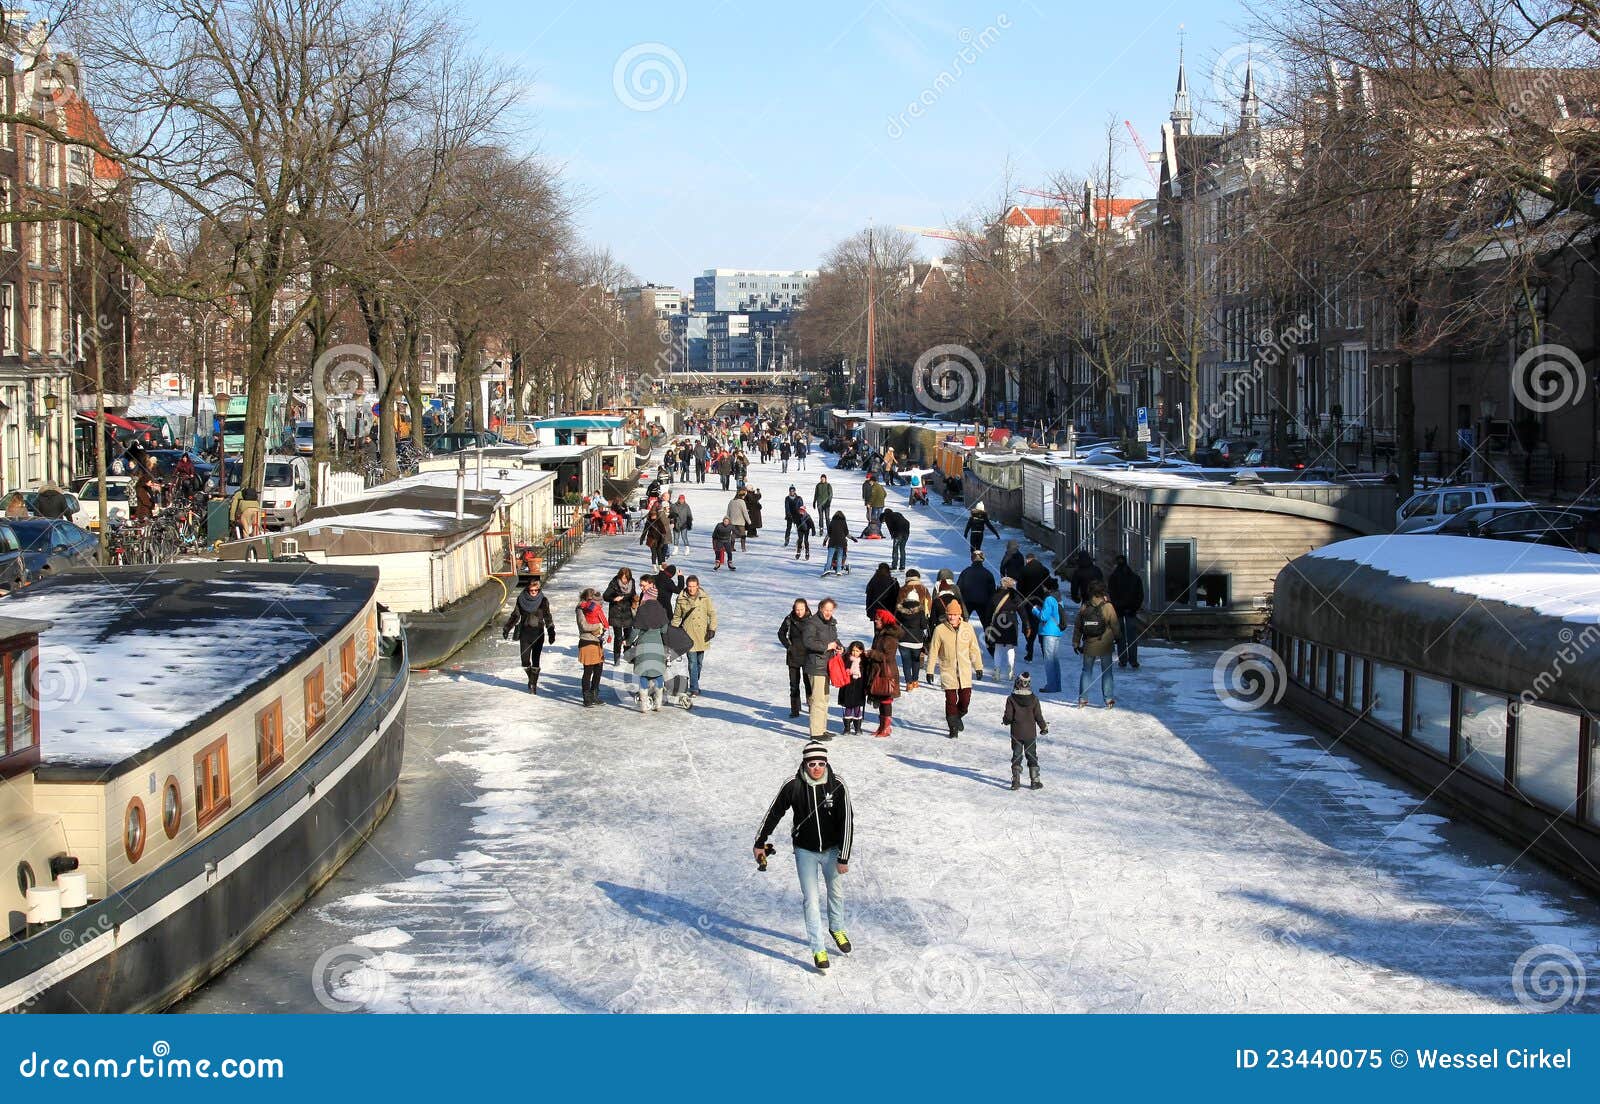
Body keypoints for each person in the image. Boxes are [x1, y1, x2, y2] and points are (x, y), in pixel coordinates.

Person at [753, 741, 854, 973]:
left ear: (826, 763)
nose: (817, 768)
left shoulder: (837, 785)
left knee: (836, 893)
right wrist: (760, 842)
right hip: (805, 850)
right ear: (804, 763)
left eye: (821, 763)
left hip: (832, 851)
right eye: (812, 763)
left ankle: (836, 928)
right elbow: (775, 812)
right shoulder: (793, 785)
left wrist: (844, 856)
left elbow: (847, 821)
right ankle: (818, 948)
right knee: (811, 899)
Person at [924, 597, 983, 739]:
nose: (952, 617)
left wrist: (978, 667)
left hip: (964, 670)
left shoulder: (967, 628)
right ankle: (953, 727)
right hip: (948, 670)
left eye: (955, 614)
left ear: (960, 615)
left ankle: (958, 716)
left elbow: (974, 648)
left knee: (965, 699)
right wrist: (930, 670)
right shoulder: (940, 629)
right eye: (950, 614)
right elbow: (933, 651)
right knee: (950, 700)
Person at [502, 576, 556, 693]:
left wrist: (551, 632)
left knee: (536, 660)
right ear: (528, 589)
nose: (534, 593)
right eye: (532, 590)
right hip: (525, 633)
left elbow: (547, 617)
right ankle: (531, 678)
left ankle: (533, 685)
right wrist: (507, 628)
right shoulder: (521, 599)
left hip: (538, 633)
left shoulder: (543, 600)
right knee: (525, 661)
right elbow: (515, 615)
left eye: (536, 590)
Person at [671, 574, 717, 706]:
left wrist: (712, 629)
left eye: (694, 586)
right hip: (688, 635)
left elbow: (712, 613)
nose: (691, 589)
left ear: (698, 586)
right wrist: (673, 633)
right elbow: (676, 617)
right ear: (687, 586)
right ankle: (694, 687)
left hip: (703, 634)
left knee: (699, 662)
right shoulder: (681, 599)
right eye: (689, 586)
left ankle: (695, 683)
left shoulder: (704, 598)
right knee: (692, 662)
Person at [801, 597, 843, 740]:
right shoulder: (812, 622)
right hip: (816, 666)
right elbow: (808, 641)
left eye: (831, 610)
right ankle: (816, 732)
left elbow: (835, 639)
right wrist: (826, 647)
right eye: (826, 610)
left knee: (824, 699)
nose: (828, 613)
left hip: (827, 665)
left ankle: (822, 728)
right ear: (820, 609)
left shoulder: (831, 623)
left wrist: (839, 646)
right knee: (818, 699)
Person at [1074, 580, 1119, 708]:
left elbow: (1078, 626)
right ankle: (1108, 699)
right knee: (1107, 672)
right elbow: (1115, 624)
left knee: (1087, 671)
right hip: (1105, 644)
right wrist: (1118, 637)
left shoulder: (1085, 606)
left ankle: (1083, 699)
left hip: (1089, 643)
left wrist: (1076, 642)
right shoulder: (1108, 607)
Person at [627, 579, 670, 711]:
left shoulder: (642, 610)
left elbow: (635, 630)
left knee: (644, 675)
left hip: (644, 646)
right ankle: (658, 704)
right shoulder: (661, 610)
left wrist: (628, 642)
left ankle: (644, 705)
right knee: (658, 674)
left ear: (646, 596)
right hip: (657, 646)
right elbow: (664, 630)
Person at [1002, 672, 1048, 791]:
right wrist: (1043, 727)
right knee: (1031, 755)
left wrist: (1006, 721)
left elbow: (1008, 716)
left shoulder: (1011, 699)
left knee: (1017, 756)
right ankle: (1035, 780)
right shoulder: (1034, 699)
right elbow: (1038, 716)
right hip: (1030, 734)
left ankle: (1016, 781)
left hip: (1016, 733)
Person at [865, 609, 902, 738]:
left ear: (885, 620)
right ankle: (881, 726)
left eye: (878, 619)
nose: (876, 620)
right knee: (881, 700)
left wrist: (871, 654)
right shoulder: (880, 633)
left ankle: (886, 727)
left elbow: (888, 656)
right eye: (876, 618)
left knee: (886, 700)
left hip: (887, 673)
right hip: (878, 670)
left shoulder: (890, 637)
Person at [894, 569, 931, 691]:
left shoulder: (903, 590)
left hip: (903, 638)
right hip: (917, 638)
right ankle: (915, 680)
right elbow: (928, 606)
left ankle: (909, 682)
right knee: (916, 659)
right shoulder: (924, 589)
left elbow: (896, 617)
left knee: (906, 661)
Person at [1108, 552, 1145, 669]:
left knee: (1120, 637)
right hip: (1131, 612)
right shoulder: (1135, 578)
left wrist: (1117, 608)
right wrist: (1133, 608)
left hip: (1118, 612)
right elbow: (1140, 595)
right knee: (1132, 636)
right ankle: (1133, 660)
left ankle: (1123, 660)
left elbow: (1112, 595)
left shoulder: (1113, 578)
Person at [985, 575, 1025, 681]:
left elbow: (989, 610)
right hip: (1011, 622)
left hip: (998, 622)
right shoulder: (1015, 596)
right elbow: (1022, 611)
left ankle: (997, 673)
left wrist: (988, 624)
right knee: (1010, 648)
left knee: (997, 648)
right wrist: (1027, 624)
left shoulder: (996, 594)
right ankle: (1010, 671)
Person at [575, 587, 610, 707]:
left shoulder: (595, 608)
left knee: (598, 669)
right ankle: (587, 697)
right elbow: (584, 626)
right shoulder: (581, 609)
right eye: (590, 599)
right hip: (587, 641)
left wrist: (604, 628)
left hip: (597, 641)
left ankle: (595, 694)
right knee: (588, 671)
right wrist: (599, 626)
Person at [778, 598, 812, 718]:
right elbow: (781, 633)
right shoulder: (789, 619)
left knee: (809, 683)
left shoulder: (812, 619)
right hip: (793, 655)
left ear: (806, 608)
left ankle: (812, 707)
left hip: (808, 655)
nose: (799, 612)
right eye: (797, 609)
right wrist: (788, 646)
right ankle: (795, 709)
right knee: (794, 684)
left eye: (801, 609)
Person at [1017, 553, 1052, 661]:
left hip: (1028, 602)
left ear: (1027, 560)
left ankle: (1030, 651)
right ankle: (1044, 650)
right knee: (1041, 624)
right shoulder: (1043, 569)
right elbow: (1049, 583)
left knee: (1029, 625)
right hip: (1041, 601)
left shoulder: (1023, 570)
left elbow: (1020, 588)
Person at [602, 567, 638, 666]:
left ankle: (628, 656)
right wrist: (614, 599)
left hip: (627, 612)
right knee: (618, 637)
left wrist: (635, 599)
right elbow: (605, 596)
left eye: (626, 578)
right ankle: (616, 659)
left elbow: (633, 594)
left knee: (628, 636)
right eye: (623, 578)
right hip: (616, 613)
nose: (625, 581)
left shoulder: (632, 582)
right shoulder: (614, 583)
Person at [1036, 577, 1065, 694]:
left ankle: (1051, 686)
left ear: (1047, 587)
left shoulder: (1048, 599)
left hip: (1048, 631)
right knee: (1055, 660)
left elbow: (1044, 617)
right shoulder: (1058, 597)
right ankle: (1057, 685)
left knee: (1048, 661)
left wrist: (1035, 610)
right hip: (1057, 631)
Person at [958, 551, 997, 634]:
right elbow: (992, 592)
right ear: (983, 560)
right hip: (983, 603)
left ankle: (959, 641)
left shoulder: (965, 572)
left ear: (972, 559)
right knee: (987, 624)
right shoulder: (988, 573)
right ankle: (990, 644)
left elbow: (959, 588)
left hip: (967, 602)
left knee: (962, 623)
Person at [836, 640, 868, 735]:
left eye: (857, 651)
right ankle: (847, 728)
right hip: (848, 687)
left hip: (859, 687)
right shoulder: (847, 659)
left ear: (861, 651)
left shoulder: (864, 662)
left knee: (857, 708)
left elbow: (867, 673)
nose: (855, 653)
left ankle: (858, 728)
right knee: (848, 707)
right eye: (853, 650)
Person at [823, 510, 854, 576]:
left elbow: (828, 534)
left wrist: (825, 541)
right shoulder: (843, 522)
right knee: (840, 556)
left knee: (830, 556)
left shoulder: (832, 522)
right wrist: (853, 538)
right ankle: (839, 570)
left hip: (832, 542)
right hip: (841, 542)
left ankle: (827, 569)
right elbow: (846, 533)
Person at [881, 507, 910, 571]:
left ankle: (894, 566)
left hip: (899, 533)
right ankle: (902, 566)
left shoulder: (887, 517)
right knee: (902, 548)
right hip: (906, 532)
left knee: (895, 549)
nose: (884, 522)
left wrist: (893, 535)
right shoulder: (897, 514)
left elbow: (890, 528)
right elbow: (906, 522)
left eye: (883, 521)